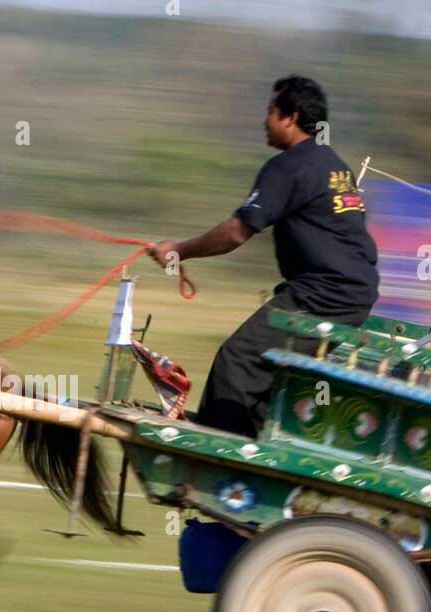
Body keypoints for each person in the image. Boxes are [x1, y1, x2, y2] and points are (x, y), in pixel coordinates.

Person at [148, 75, 379, 437]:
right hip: (353, 294)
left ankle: (215, 462)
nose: (264, 119)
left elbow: (236, 233)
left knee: (237, 360)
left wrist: (177, 251)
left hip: (323, 295)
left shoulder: (288, 166)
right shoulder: (335, 166)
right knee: (270, 376)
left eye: (270, 110)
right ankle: (258, 451)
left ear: (291, 117)